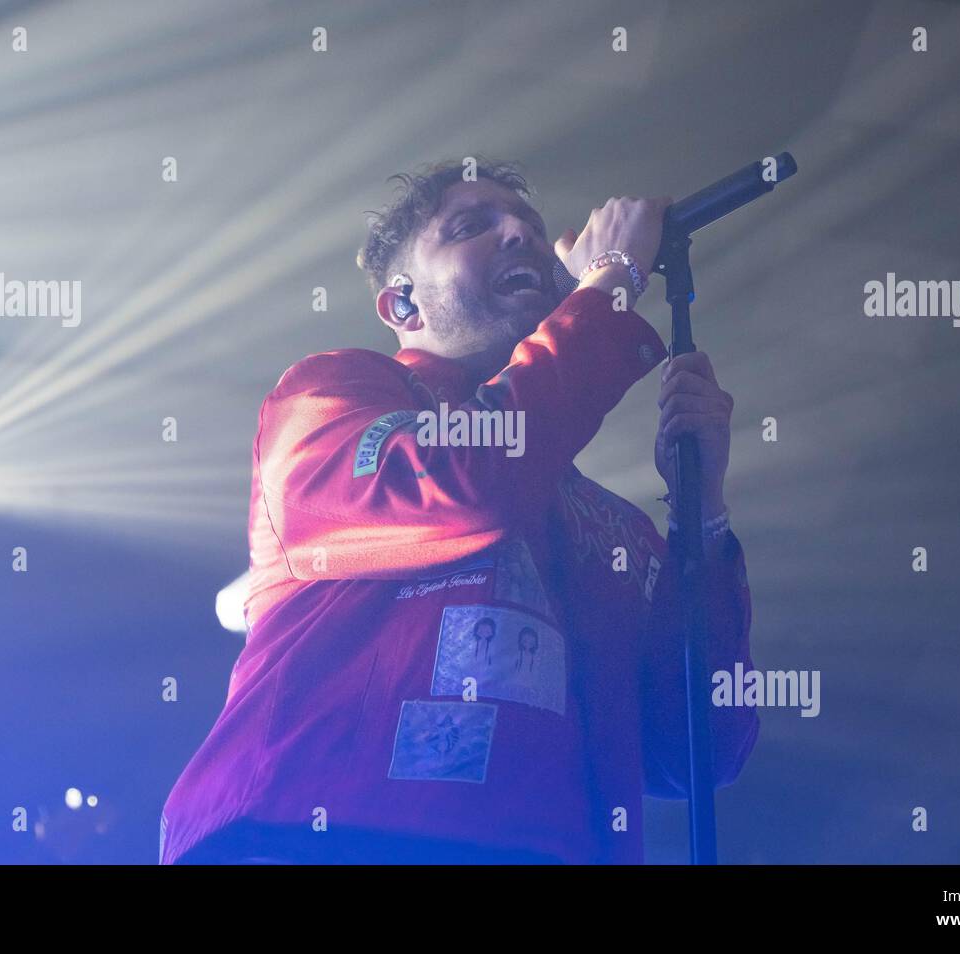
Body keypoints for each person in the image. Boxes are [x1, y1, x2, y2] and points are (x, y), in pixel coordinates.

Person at [160, 158, 759, 864]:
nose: (519, 235)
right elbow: (464, 484)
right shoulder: (330, 399)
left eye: (531, 228)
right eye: (472, 227)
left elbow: (694, 752)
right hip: (313, 838)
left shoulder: (612, 527)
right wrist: (612, 283)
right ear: (401, 304)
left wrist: (701, 517)